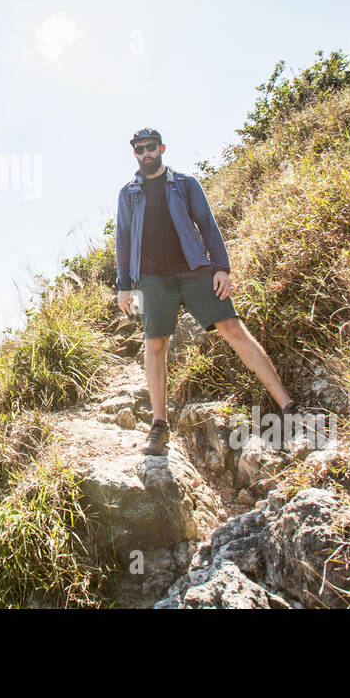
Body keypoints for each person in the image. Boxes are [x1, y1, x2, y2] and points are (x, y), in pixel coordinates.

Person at [115, 128, 296, 456]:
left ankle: (287, 406)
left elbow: (208, 226)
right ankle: (159, 426)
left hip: (195, 270)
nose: (146, 153)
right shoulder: (128, 194)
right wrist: (124, 286)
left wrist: (221, 268)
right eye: (140, 149)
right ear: (135, 154)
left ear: (162, 148)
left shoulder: (185, 184)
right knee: (155, 344)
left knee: (233, 329)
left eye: (151, 147)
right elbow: (123, 239)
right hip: (153, 279)